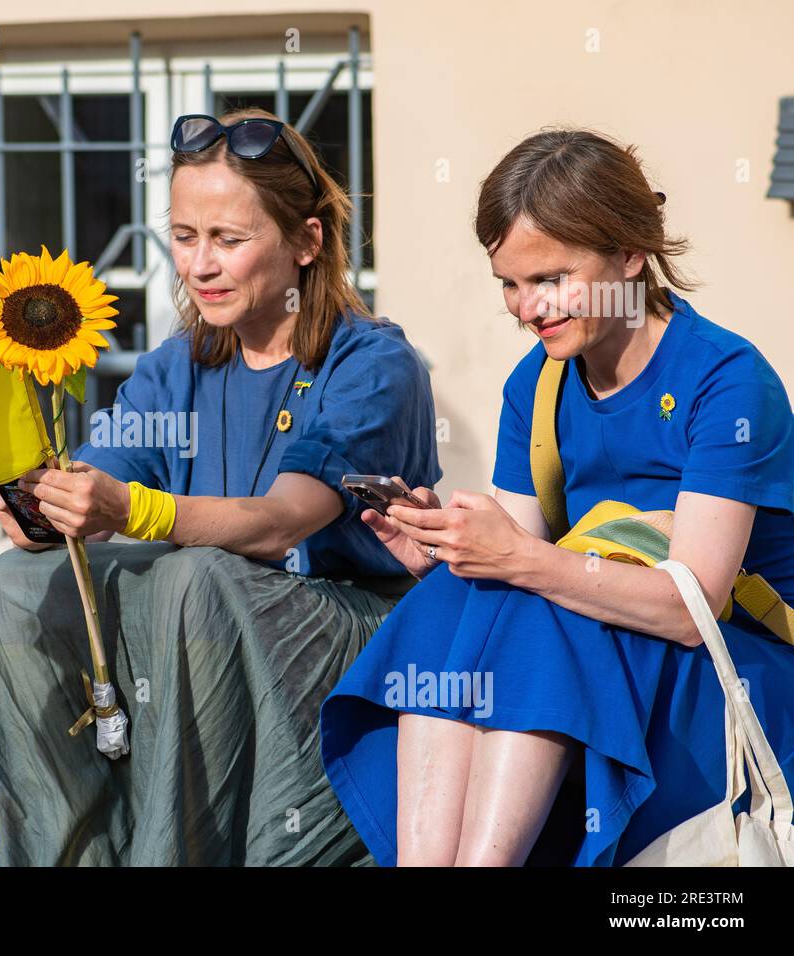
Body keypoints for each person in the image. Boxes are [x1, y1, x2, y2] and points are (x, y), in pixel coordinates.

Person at [0, 108, 442, 865]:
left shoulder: (371, 365)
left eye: (229, 239)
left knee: (194, 578)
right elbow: (102, 482)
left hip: (356, 631)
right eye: (185, 237)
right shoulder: (176, 364)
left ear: (306, 242)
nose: (199, 266)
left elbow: (285, 521)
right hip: (207, 621)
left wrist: (130, 508)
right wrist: (43, 505)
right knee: (17, 584)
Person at [320, 129, 794, 866]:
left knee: (538, 610)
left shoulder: (727, 381)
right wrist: (441, 554)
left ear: (630, 254)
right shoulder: (536, 385)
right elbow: (513, 563)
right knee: (446, 604)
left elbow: (688, 608)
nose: (525, 308)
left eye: (550, 279)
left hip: (730, 667)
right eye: (509, 284)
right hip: (598, 643)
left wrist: (513, 558)